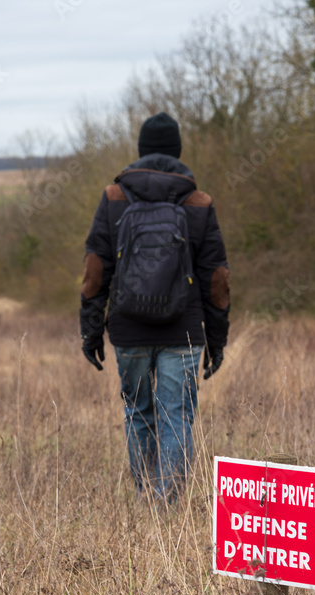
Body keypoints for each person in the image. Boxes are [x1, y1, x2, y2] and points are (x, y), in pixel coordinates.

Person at [79, 111, 230, 501]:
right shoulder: (199, 202)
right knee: (176, 415)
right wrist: (217, 342)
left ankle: (147, 495)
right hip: (184, 331)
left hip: (129, 330)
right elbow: (217, 282)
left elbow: (96, 273)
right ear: (177, 152)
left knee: (138, 412)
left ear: (141, 151)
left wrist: (91, 333)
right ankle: (169, 503)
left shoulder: (115, 197)